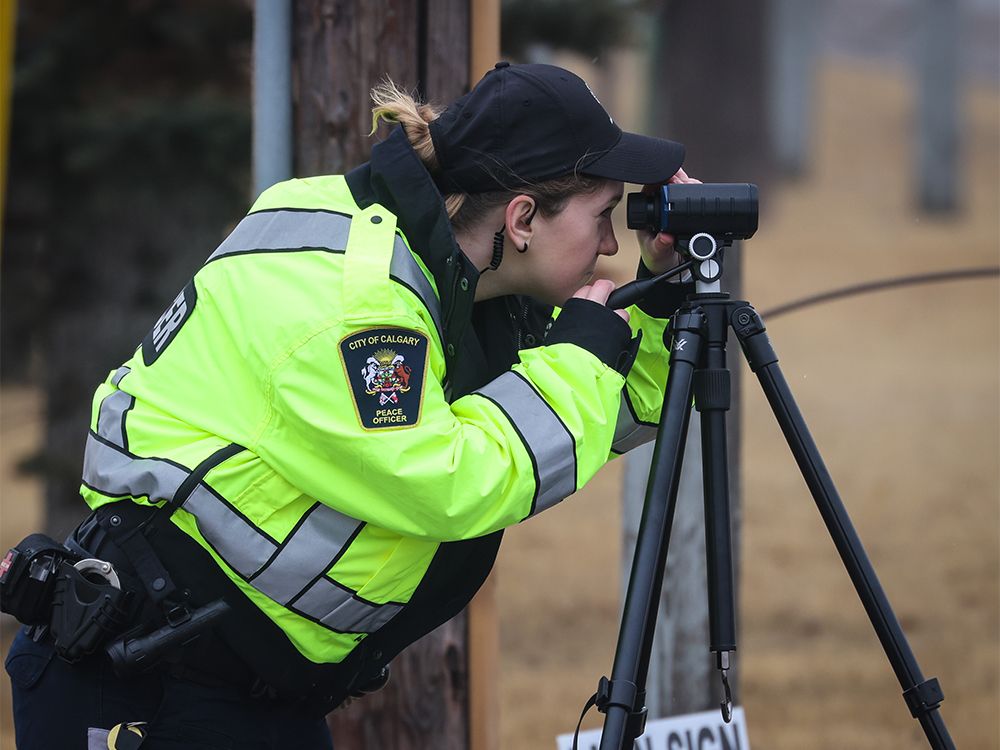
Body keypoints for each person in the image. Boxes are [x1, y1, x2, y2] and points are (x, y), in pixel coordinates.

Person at [5, 61, 700, 749]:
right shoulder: (361, 307)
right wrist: (577, 355)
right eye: (604, 216)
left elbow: (586, 416)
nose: (612, 243)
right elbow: (446, 481)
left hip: (251, 687)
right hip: (144, 684)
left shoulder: (466, 286)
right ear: (521, 218)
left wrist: (662, 293)